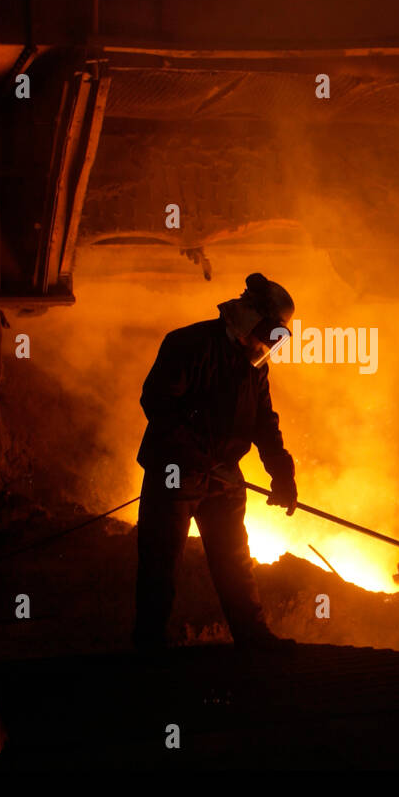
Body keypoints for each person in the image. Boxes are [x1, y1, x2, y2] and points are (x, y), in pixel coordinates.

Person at [132, 273, 299, 652]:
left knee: (235, 560)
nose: (265, 345)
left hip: (223, 478)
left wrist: (282, 474)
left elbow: (264, 422)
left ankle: (254, 639)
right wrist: (200, 460)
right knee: (161, 562)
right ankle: (149, 646)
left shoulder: (254, 365)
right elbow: (157, 404)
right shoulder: (187, 344)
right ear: (247, 317)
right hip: (175, 474)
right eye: (266, 333)